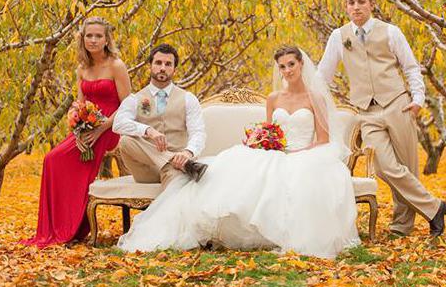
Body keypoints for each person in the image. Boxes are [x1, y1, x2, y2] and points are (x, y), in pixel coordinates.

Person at [117, 46, 359, 259]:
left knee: (292, 178)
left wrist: (295, 154)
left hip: (305, 154)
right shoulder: (274, 98)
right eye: (282, 66)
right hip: (275, 152)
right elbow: (270, 131)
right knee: (230, 173)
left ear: (301, 64)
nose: (287, 70)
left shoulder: (314, 97)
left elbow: (323, 139)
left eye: (291, 65)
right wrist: (263, 142)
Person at [318, 0, 446, 237]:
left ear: (371, 4)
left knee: (407, 167)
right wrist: (312, 99)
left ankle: (402, 226)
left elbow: (411, 67)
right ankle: (434, 208)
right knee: (384, 167)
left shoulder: (391, 32)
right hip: (366, 112)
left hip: (398, 104)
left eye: (361, 1)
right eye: (351, 2)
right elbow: (324, 74)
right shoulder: (338, 36)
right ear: (346, 7)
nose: (356, 6)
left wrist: (418, 99)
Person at [22, 17, 131, 248]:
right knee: (51, 159)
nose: (93, 40)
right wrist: (77, 128)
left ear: (106, 39)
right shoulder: (82, 68)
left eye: (98, 36)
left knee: (60, 159)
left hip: (110, 127)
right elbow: (79, 104)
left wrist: (101, 129)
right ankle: (62, 225)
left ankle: (72, 226)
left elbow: (127, 105)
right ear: (83, 39)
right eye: (88, 35)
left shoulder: (116, 66)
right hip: (87, 128)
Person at [112, 43, 207, 190]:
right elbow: (118, 123)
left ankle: (176, 162)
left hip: (177, 166)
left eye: (168, 64)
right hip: (146, 169)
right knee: (125, 141)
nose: (163, 67)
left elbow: (198, 133)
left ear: (174, 69)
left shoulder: (188, 98)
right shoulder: (136, 99)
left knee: (173, 187)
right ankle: (174, 160)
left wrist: (187, 153)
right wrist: (148, 130)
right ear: (150, 66)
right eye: (158, 63)